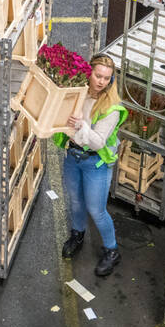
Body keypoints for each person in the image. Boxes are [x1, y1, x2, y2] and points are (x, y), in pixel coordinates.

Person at [55, 54, 127, 278]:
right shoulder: (78, 93)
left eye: (107, 78)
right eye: (98, 76)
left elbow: (98, 142)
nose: (101, 81)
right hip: (73, 157)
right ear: (89, 72)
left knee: (96, 210)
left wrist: (80, 125)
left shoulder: (112, 108)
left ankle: (112, 251)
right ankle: (78, 234)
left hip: (95, 163)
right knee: (76, 202)